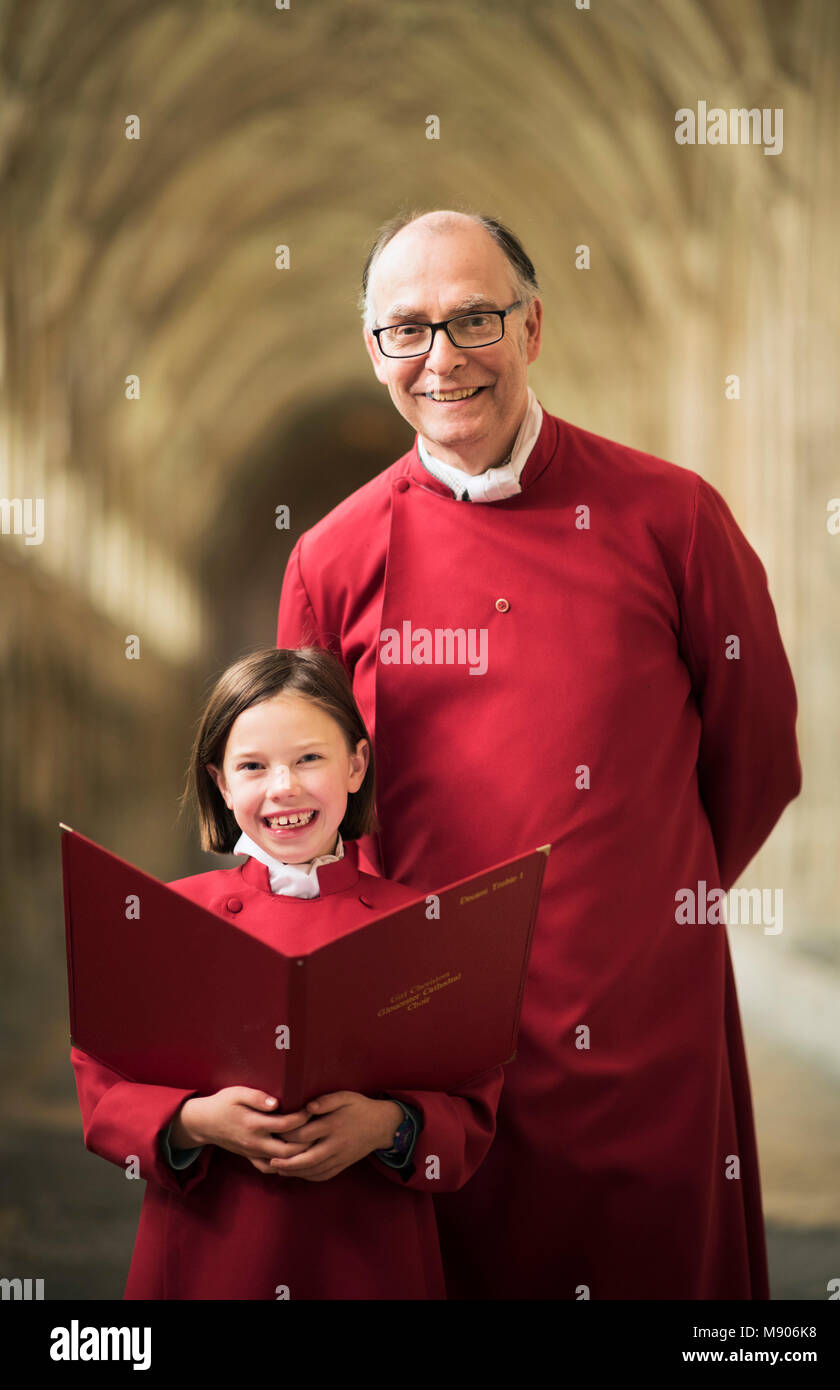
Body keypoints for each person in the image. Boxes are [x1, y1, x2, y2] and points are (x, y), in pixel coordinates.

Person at [275, 208, 802, 1300]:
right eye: (405, 331)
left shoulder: (674, 518)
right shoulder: (331, 558)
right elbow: (305, 809)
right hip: (423, 1045)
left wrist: (645, 912)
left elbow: (755, 755)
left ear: (533, 328)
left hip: (643, 1036)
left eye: (475, 319)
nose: (442, 358)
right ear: (371, 350)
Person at [70, 646, 503, 1299]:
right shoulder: (170, 916)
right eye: (252, 766)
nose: (284, 789)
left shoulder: (424, 925)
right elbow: (102, 1089)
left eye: (309, 758)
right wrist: (195, 1121)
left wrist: (387, 1125)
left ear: (356, 764)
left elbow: (474, 1104)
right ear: (221, 783)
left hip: (368, 1255)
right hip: (211, 1250)